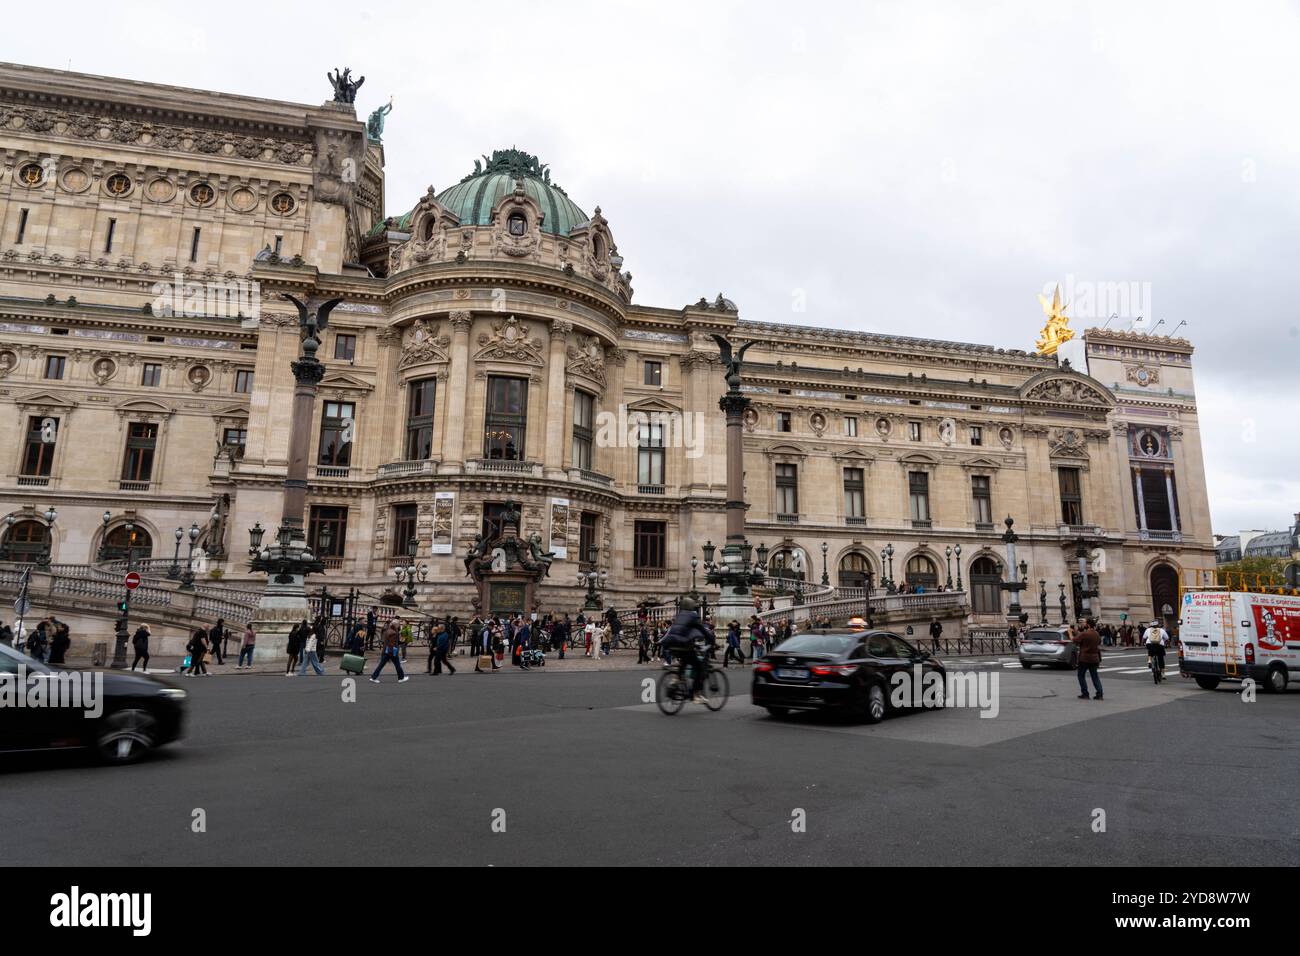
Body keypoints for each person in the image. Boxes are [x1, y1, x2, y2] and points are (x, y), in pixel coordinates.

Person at [660, 596, 713, 702]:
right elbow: (702, 630)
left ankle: (676, 679)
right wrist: (712, 640)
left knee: (684, 661)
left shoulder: (679, 615)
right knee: (699, 667)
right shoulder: (693, 616)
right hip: (683, 645)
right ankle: (696, 694)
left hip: (672, 644)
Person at [1073, 617, 1103, 700]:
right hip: (1094, 658)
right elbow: (1099, 642)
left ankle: (1085, 693)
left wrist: (1070, 632)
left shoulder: (1085, 633)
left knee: (1081, 675)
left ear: (1088, 624)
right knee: (1095, 676)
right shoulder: (1097, 634)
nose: (1084, 624)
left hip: (1084, 658)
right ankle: (1099, 694)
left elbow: (1074, 640)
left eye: (1085, 623)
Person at [370, 618, 409, 683]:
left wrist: (400, 642)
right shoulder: (393, 632)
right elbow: (392, 643)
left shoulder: (389, 630)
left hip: (387, 650)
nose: (399, 625)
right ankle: (401, 678)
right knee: (397, 665)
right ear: (396, 625)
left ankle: (373, 677)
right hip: (392, 651)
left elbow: (392, 642)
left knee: (381, 665)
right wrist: (392, 652)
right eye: (399, 624)